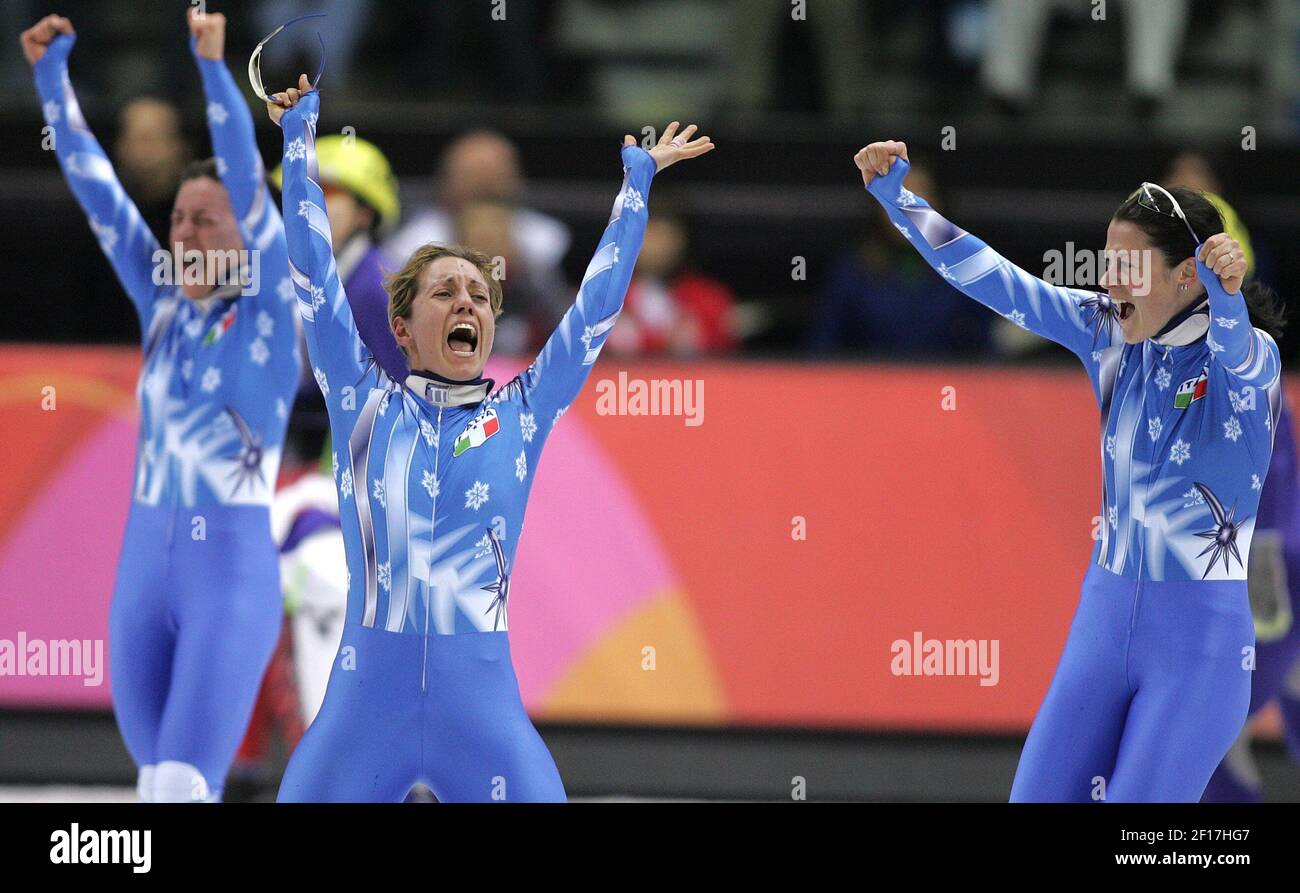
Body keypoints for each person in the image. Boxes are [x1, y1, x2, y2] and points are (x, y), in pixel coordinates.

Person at [267, 73, 713, 801]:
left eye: (478, 293)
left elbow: (596, 310)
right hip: (358, 721)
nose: (467, 301)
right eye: (445, 291)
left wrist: (636, 190)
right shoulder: (359, 399)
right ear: (403, 329)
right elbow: (313, 273)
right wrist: (297, 146)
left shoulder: (523, 414)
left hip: (484, 725)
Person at [855, 139, 1284, 802]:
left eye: (1128, 266)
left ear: (1186, 275)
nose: (1108, 281)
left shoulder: (1249, 360)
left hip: (1199, 656)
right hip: (1102, 628)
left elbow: (1239, 351)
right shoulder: (1108, 332)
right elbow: (994, 278)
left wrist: (1227, 297)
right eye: (1106, 262)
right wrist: (901, 202)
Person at [23, 9, 299, 802]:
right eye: (178, 218)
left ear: (248, 234)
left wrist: (213, 69)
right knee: (156, 783)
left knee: (176, 787)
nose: (183, 231)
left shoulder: (271, 311)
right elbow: (97, 191)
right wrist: (50, 79)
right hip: (141, 580)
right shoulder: (161, 302)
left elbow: (247, 182)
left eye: (204, 219)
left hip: (230, 584)